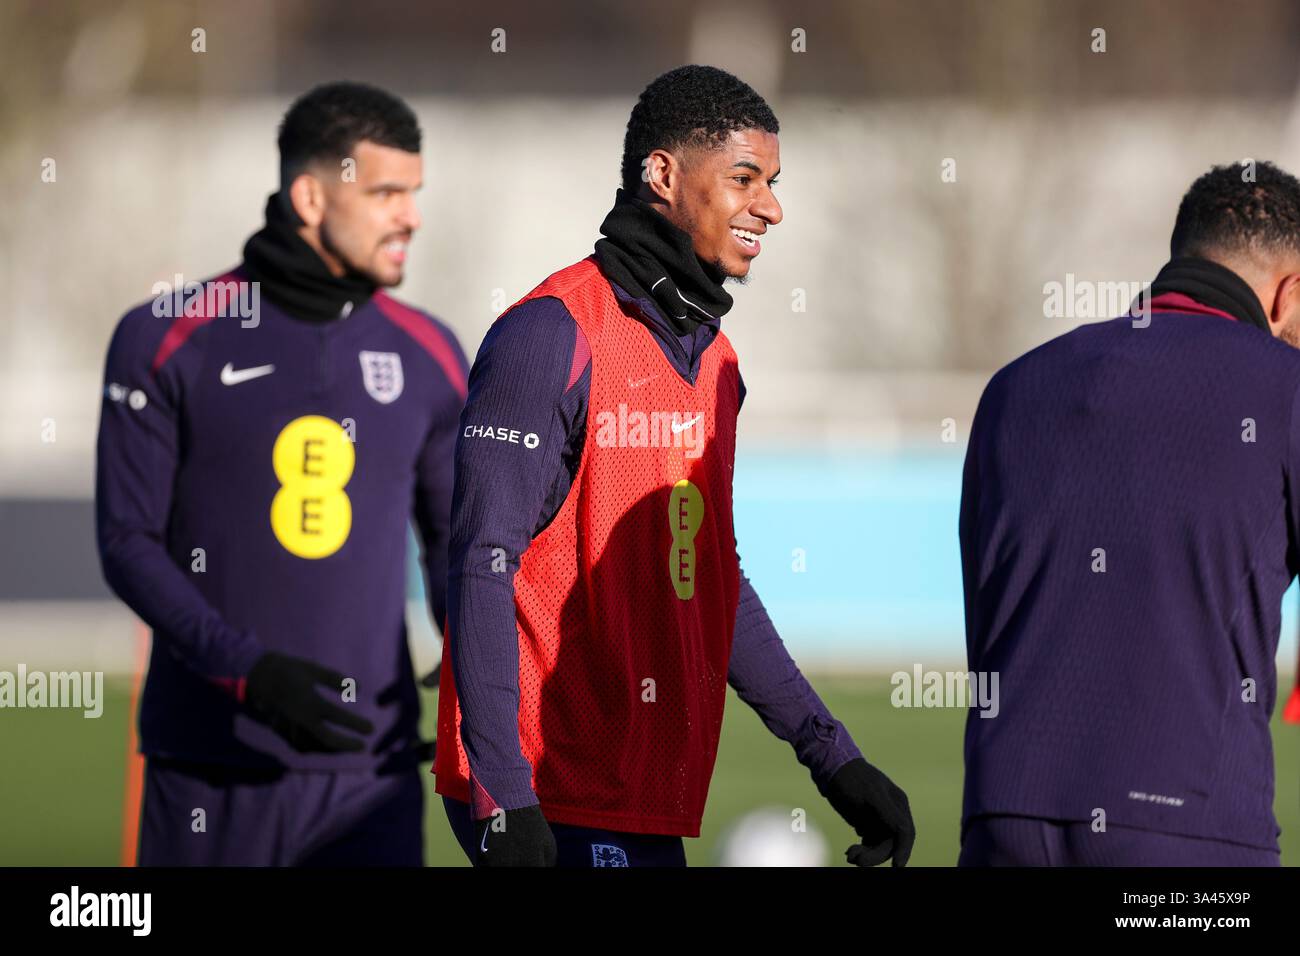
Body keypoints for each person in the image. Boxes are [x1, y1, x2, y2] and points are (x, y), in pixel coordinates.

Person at [434, 65, 914, 867]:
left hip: (646, 797)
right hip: (546, 793)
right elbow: (481, 564)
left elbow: (709, 575)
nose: (771, 205)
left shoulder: (716, 361)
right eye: (744, 178)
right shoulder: (549, 335)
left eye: (774, 181)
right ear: (662, 174)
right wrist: (503, 795)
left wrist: (836, 759)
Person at [95, 81, 467, 865]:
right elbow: (128, 542)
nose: (412, 217)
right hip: (209, 770)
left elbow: (451, 543)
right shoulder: (165, 338)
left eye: (415, 192)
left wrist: (468, 646)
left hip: (374, 778)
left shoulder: (430, 354)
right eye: (388, 192)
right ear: (309, 194)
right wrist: (247, 671)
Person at [958, 160, 1300, 866]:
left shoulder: (1015, 386)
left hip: (1002, 814)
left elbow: (987, 612)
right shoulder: (1287, 389)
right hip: (1187, 829)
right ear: (1288, 293)